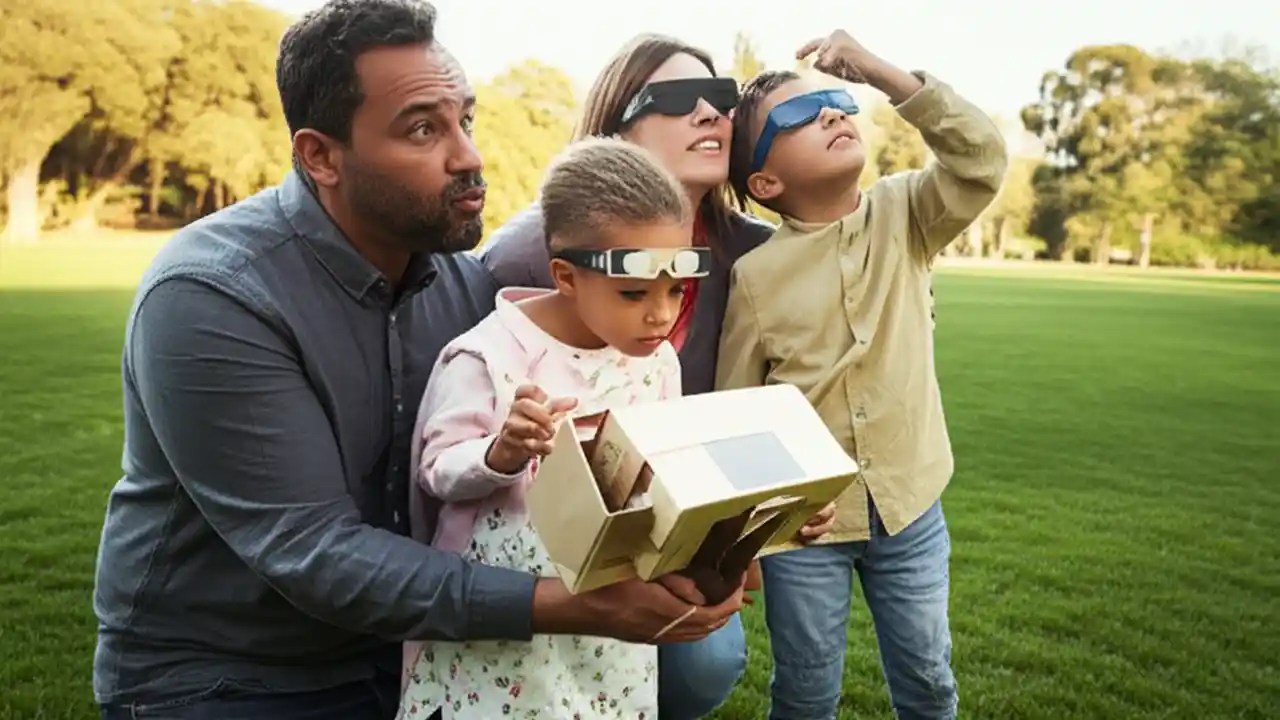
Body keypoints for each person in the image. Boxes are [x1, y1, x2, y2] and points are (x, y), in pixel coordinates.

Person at [91, 3, 740, 719]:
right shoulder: (214, 296)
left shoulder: (463, 286)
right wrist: (577, 607)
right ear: (320, 156)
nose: (469, 156)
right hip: (236, 674)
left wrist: (722, 533)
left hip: (422, 654)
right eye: (423, 129)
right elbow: (312, 552)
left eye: (466, 119)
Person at [479, 33, 837, 719]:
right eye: (676, 99)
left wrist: (781, 504)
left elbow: (768, 405)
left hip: (686, 523)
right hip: (544, 521)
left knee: (707, 660)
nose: (711, 112)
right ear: (615, 130)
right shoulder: (525, 253)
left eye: (721, 98)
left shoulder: (758, 257)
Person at [716, 28, 1009, 720]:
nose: (830, 113)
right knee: (806, 690)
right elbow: (737, 409)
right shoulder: (755, 278)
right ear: (765, 183)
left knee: (929, 680)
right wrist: (764, 518)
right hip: (806, 532)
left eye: (836, 101)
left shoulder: (906, 213)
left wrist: (882, 73)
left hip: (911, 511)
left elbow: (982, 160)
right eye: (797, 114)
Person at [400, 136, 717, 718]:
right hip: (506, 635)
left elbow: (667, 480)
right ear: (566, 277)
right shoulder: (490, 356)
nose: (662, 315)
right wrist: (500, 453)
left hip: (609, 634)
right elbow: (436, 474)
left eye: (677, 290)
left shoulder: (657, 360)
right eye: (634, 293)